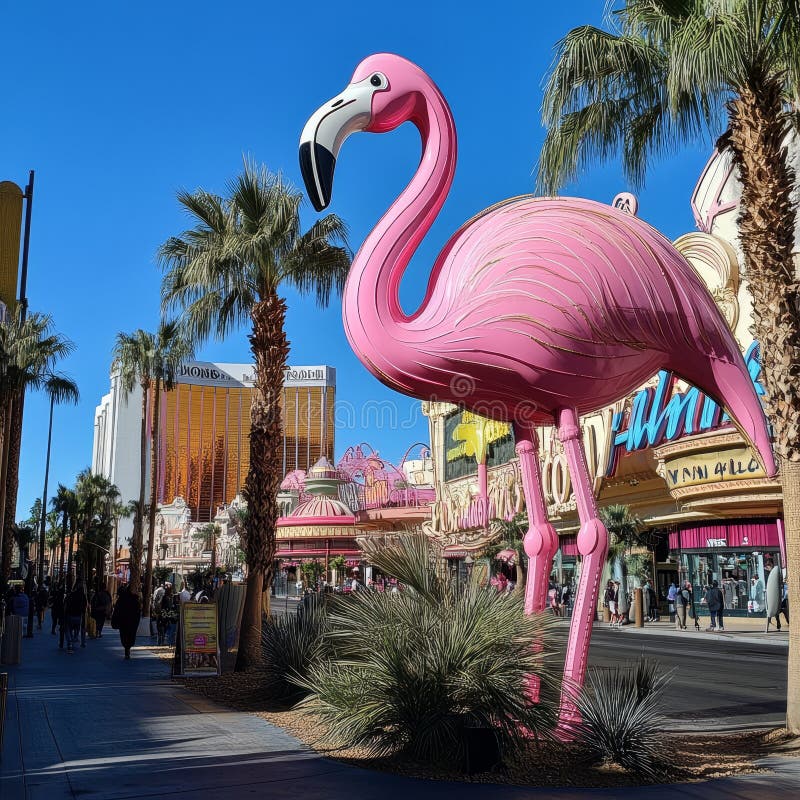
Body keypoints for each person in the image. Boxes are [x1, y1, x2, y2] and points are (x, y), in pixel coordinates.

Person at [111, 584, 141, 659]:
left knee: (124, 636)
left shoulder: (121, 599)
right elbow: (138, 612)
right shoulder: (135, 600)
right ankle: (127, 649)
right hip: (131, 622)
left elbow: (117, 610)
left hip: (123, 622)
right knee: (130, 636)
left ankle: (126, 649)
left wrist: (115, 619)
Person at [65, 581, 88, 652]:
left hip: (70, 614)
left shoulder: (71, 595)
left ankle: (70, 641)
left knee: (68, 628)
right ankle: (77, 639)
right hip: (79, 615)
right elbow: (85, 606)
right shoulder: (83, 596)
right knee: (78, 628)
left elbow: (66, 604)